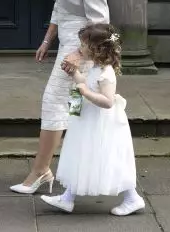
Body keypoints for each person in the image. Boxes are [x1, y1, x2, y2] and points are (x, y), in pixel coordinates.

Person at [9, 0, 109, 194]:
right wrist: (46, 40)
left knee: (53, 103)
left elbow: (101, 21)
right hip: (67, 45)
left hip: (79, 52)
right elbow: (61, 6)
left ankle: (41, 171)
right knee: (74, 109)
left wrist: (79, 54)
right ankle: (75, 170)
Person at [41, 23, 144, 216]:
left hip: (102, 124)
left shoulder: (106, 73)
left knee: (106, 157)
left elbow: (107, 101)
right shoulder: (96, 68)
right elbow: (85, 83)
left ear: (97, 49)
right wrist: (75, 74)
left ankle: (133, 198)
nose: (80, 49)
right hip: (90, 120)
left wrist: (85, 92)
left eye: (83, 45)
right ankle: (67, 198)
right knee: (83, 154)